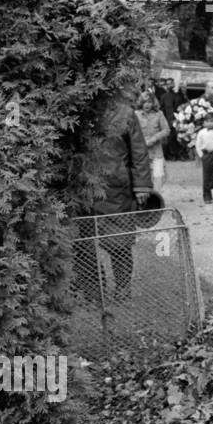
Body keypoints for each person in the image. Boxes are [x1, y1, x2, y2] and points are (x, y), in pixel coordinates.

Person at [74, 84, 157, 300]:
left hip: (116, 188)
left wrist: (142, 186)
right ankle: (92, 290)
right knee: (84, 243)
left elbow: (139, 152)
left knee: (119, 243)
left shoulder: (126, 114)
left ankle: (122, 288)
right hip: (84, 187)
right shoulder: (78, 111)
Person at [136, 90, 170, 188]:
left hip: (156, 151)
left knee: (158, 176)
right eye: (144, 102)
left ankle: (156, 199)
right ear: (141, 103)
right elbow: (132, 131)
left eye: (149, 102)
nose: (147, 105)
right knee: (143, 177)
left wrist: (154, 138)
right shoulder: (136, 114)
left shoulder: (159, 114)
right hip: (140, 152)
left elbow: (166, 130)